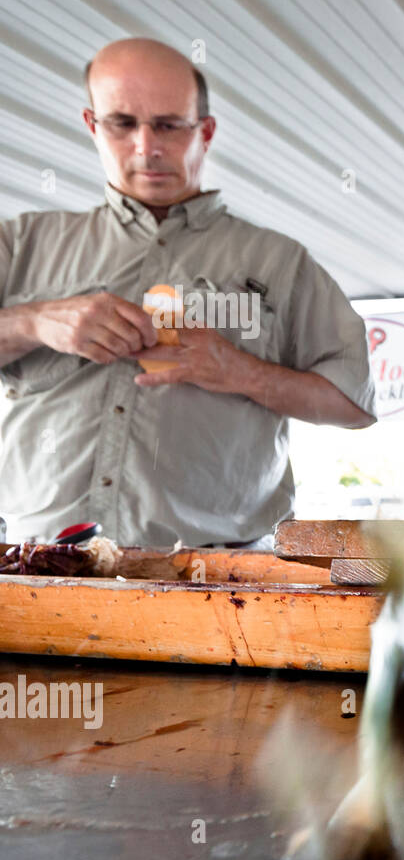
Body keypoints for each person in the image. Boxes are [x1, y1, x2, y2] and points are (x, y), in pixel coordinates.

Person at [0, 38, 376, 547]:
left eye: (168, 125)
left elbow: (354, 403)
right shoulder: (19, 244)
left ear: (206, 132)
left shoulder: (280, 263)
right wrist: (33, 322)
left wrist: (241, 371)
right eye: (122, 123)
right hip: (34, 569)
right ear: (93, 125)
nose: (146, 146)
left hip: (218, 585)